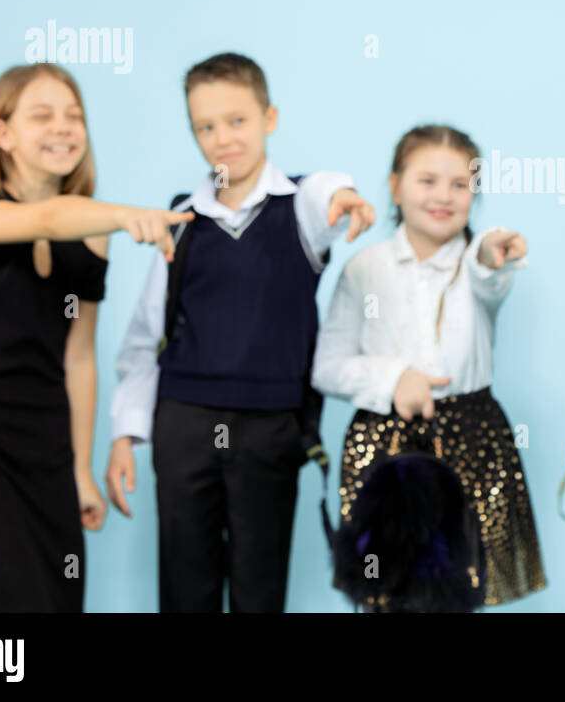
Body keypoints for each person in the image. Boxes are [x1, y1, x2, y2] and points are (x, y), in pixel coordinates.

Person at [105, 52, 374, 612]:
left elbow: (324, 193)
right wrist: (126, 433)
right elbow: (142, 340)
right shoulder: (180, 219)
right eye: (205, 126)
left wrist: (341, 196)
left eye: (237, 120)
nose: (222, 138)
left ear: (269, 118)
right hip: (183, 424)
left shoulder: (299, 208)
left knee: (259, 586)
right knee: (185, 584)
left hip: (269, 428)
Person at [0, 62, 192, 612]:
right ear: (2, 133)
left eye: (75, 117)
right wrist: (122, 214)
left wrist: (78, 471)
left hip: (46, 445)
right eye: (42, 116)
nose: (64, 128)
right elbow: (46, 219)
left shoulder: (94, 236)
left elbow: (78, 359)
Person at [312, 124, 546, 608]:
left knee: (462, 586)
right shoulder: (364, 268)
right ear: (395, 186)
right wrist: (393, 378)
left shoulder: (482, 265)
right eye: (427, 181)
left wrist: (488, 250)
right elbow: (327, 366)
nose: (444, 196)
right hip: (383, 444)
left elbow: (487, 272)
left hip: (473, 438)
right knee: (386, 590)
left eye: (460, 184)